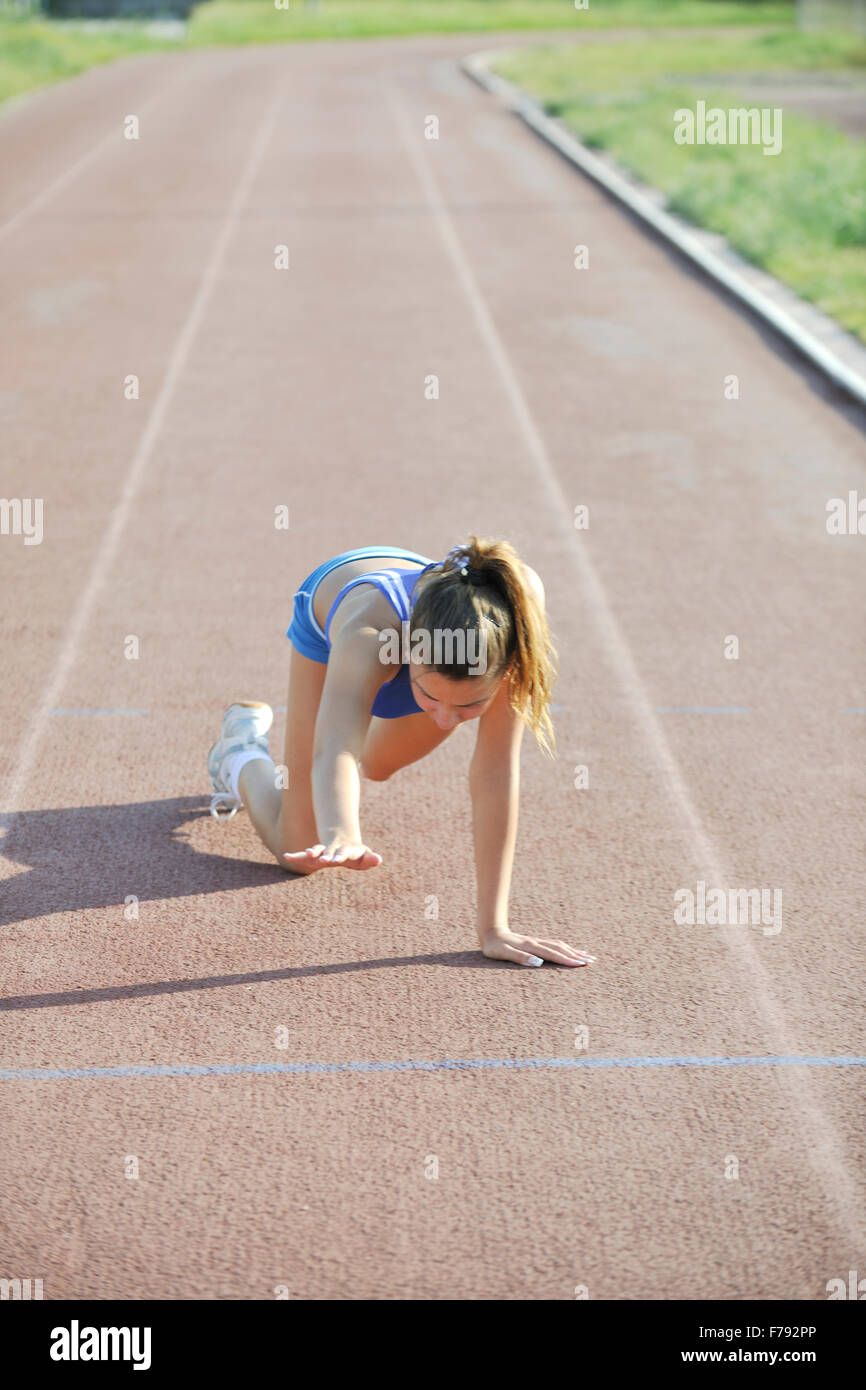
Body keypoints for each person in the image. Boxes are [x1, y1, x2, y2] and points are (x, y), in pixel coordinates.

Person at [207, 538, 596, 969]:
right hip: (334, 612)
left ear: (504, 671)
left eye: (469, 706)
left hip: (446, 617)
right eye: (430, 697)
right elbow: (334, 748)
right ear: (408, 654)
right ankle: (239, 752)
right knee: (300, 847)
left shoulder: (516, 617)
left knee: (377, 765)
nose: (446, 721)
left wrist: (494, 928)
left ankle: (433, 697)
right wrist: (343, 833)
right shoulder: (368, 636)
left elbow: (495, 773)